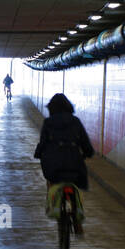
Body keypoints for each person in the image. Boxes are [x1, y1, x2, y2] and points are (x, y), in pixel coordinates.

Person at [33, 93, 95, 232]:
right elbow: (85, 142)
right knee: (76, 183)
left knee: (51, 179)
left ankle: (52, 204)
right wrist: (88, 152)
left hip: (53, 165)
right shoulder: (76, 121)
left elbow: (43, 143)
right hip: (74, 162)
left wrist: (38, 153)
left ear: (52, 108)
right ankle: (77, 219)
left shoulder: (48, 122)